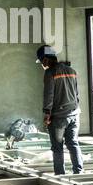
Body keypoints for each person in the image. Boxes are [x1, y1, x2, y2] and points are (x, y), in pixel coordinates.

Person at [36, 44, 84, 175]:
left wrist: (47, 114)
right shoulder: (72, 71)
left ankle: (60, 175)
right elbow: (76, 94)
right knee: (73, 143)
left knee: (57, 147)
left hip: (58, 117)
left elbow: (49, 95)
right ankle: (78, 172)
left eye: (41, 61)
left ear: (45, 59)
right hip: (74, 113)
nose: (42, 64)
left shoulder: (50, 73)